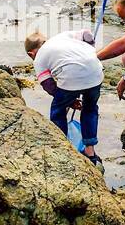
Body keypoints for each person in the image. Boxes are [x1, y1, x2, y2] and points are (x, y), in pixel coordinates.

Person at [24, 28, 104, 166]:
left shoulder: (38, 59)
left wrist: (67, 99)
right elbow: (87, 33)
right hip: (95, 71)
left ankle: (62, 149)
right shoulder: (62, 37)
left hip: (70, 78)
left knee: (58, 110)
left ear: (31, 53)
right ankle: (90, 152)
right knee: (90, 109)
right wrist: (89, 48)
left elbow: (48, 84)